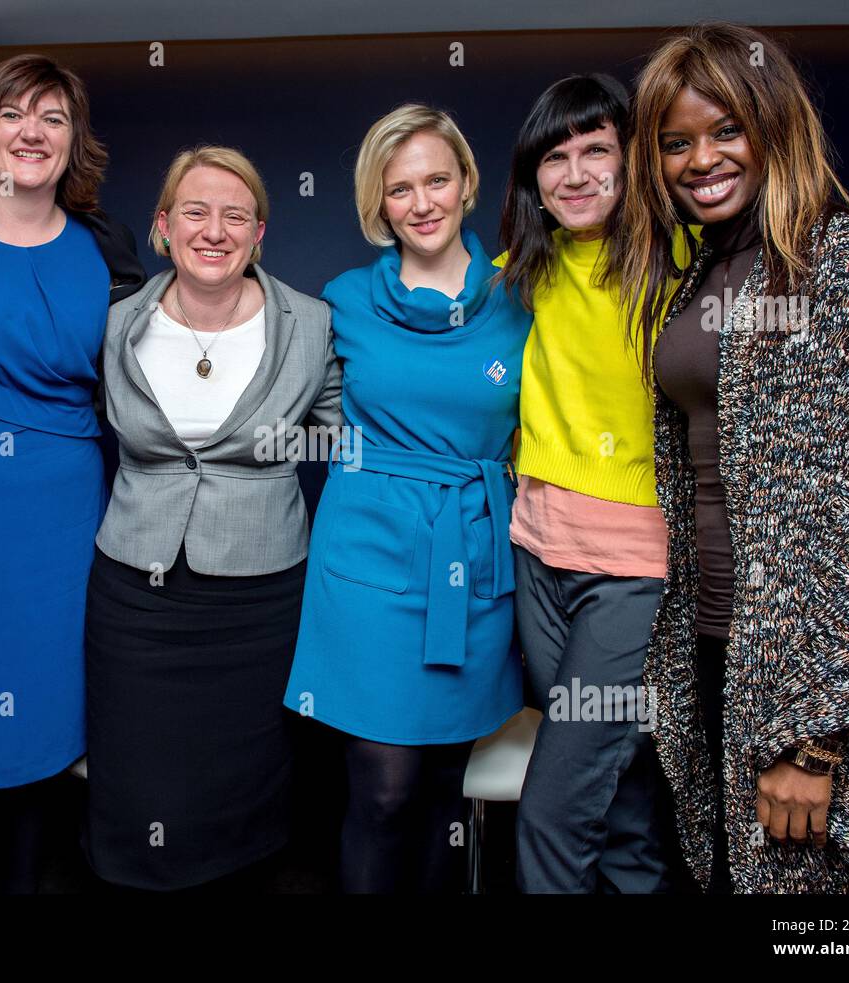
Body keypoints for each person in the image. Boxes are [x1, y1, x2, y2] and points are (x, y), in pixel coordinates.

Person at [617, 22, 849, 893]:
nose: (701, 159)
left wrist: (814, 741)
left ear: (774, 125)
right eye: (675, 142)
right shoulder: (699, 273)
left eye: (726, 130)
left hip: (808, 688)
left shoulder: (836, 257)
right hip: (717, 641)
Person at [284, 105, 528, 894]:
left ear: (466, 183)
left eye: (436, 180)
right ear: (378, 204)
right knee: (384, 790)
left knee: (443, 792)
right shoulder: (343, 299)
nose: (422, 203)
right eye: (400, 189)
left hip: (473, 556)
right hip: (367, 561)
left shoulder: (522, 294)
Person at [84, 146, 340, 891]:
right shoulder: (117, 323)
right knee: (139, 784)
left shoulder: (311, 323)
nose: (214, 230)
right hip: (135, 598)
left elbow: (349, 443)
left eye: (236, 215)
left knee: (246, 790)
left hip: (260, 602)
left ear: (259, 233)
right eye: (195, 211)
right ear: (163, 226)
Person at [0, 54, 145, 894]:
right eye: (14, 113)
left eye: (53, 118)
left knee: (50, 718)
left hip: (71, 520)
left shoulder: (106, 244)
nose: (32, 132)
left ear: (73, 140)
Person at [496, 74, 679, 893]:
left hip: (634, 573)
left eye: (596, 150)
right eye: (554, 157)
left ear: (633, 160)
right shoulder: (517, 275)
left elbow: (773, 369)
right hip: (537, 555)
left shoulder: (684, 261)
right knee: (621, 797)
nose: (575, 175)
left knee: (554, 809)